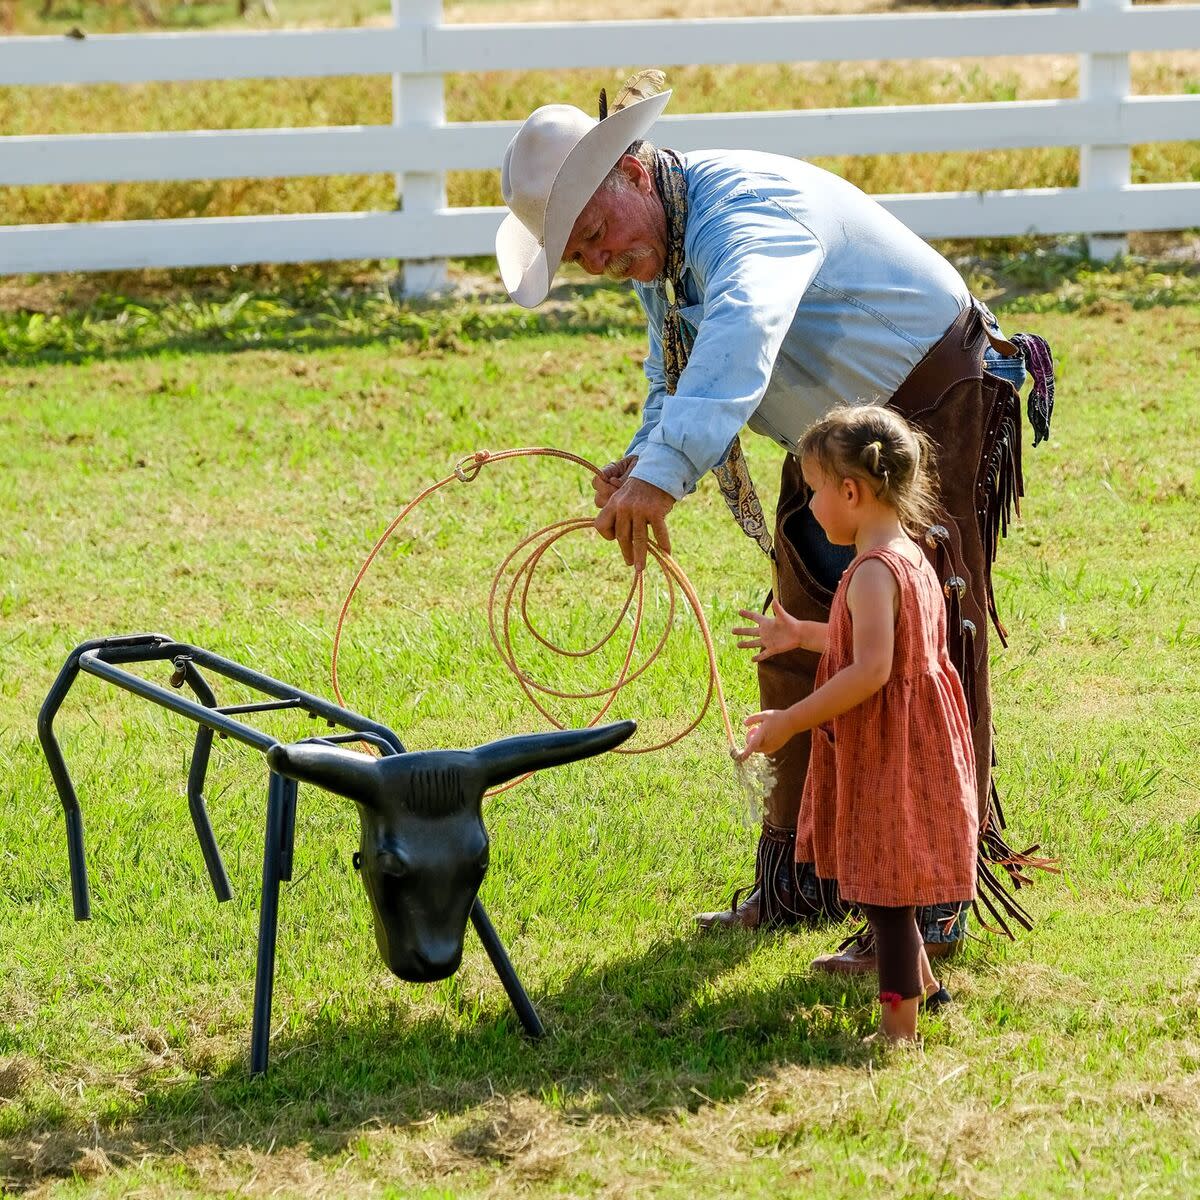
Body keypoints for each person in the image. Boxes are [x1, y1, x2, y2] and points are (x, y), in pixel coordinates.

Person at [495, 76, 1054, 960]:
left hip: (930, 402)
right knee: (798, 642)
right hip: (831, 434)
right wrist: (647, 457)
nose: (601, 262)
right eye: (580, 256)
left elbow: (743, 327)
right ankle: (802, 881)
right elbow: (671, 370)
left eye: (597, 236)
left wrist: (670, 469)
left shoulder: (742, 212)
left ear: (633, 171)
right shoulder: (668, 242)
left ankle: (930, 897)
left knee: (923, 645)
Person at [738, 405, 976, 1038]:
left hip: (889, 748)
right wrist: (804, 632)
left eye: (816, 490)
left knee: (889, 894)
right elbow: (879, 646)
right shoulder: (906, 555)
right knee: (885, 876)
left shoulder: (872, 573)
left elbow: (871, 670)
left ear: (852, 491)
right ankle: (924, 983)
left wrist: (790, 719)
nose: (811, 506)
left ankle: (899, 1028)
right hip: (910, 739)